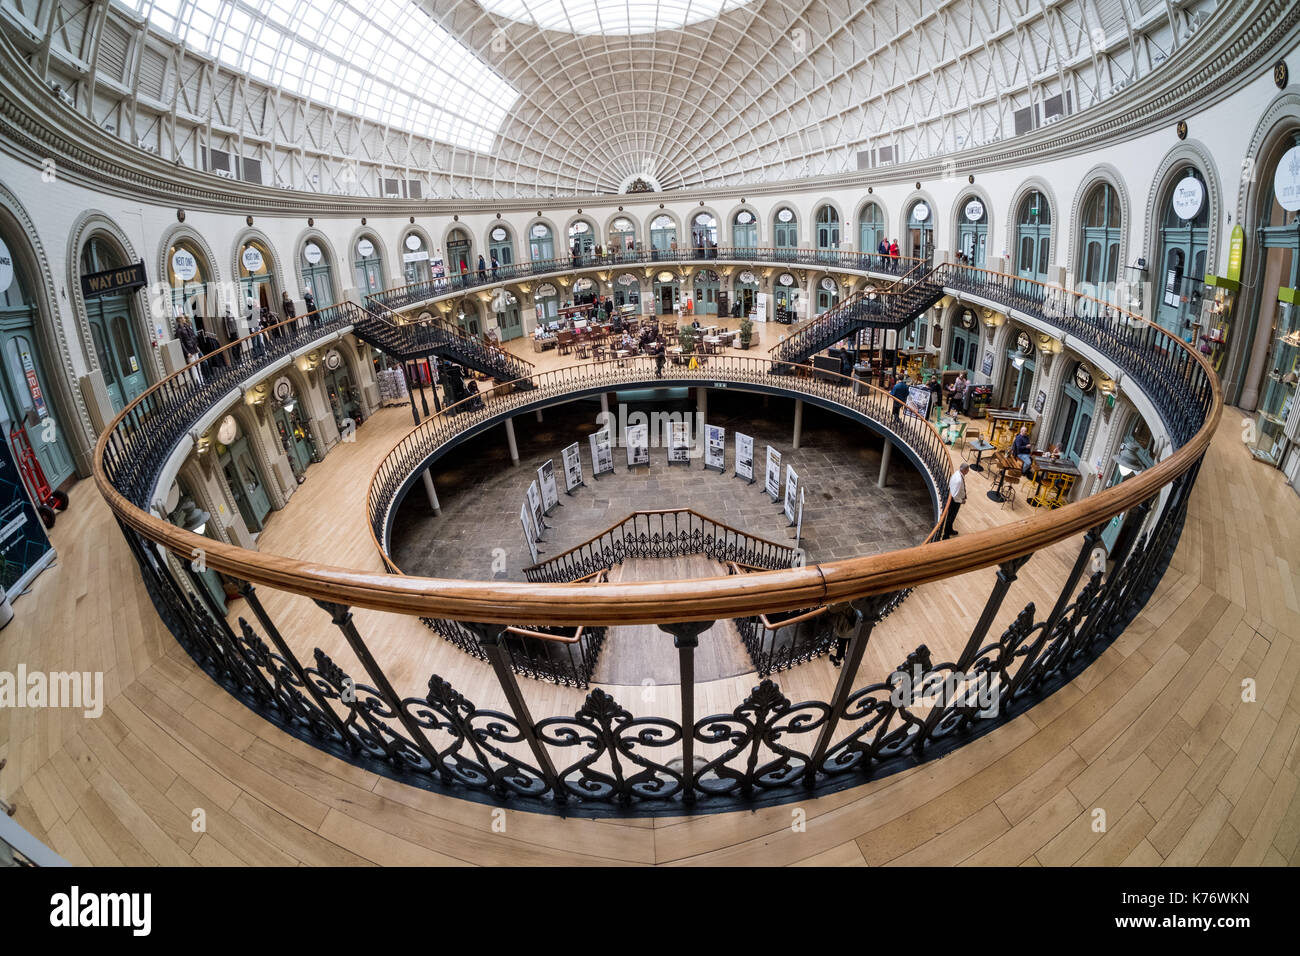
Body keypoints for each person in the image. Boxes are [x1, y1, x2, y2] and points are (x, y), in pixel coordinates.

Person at [942, 463, 969, 539]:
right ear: (964, 470)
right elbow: (955, 495)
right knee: (950, 518)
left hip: (955, 500)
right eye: (967, 470)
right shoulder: (959, 480)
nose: (968, 471)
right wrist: (961, 501)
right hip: (955, 502)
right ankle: (946, 535)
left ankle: (950, 530)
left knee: (952, 517)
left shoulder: (957, 474)